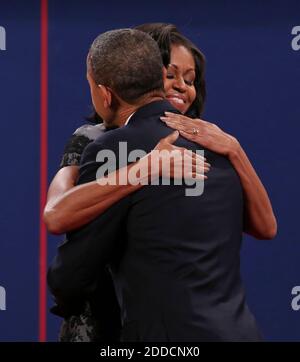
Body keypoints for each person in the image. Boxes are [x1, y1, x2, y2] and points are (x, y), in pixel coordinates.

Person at [48, 27, 277, 341]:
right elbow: (59, 212)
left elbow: (266, 227)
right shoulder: (99, 142)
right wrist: (147, 166)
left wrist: (235, 149)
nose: (181, 87)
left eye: (190, 78)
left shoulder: (217, 144)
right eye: (171, 75)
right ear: (150, 75)